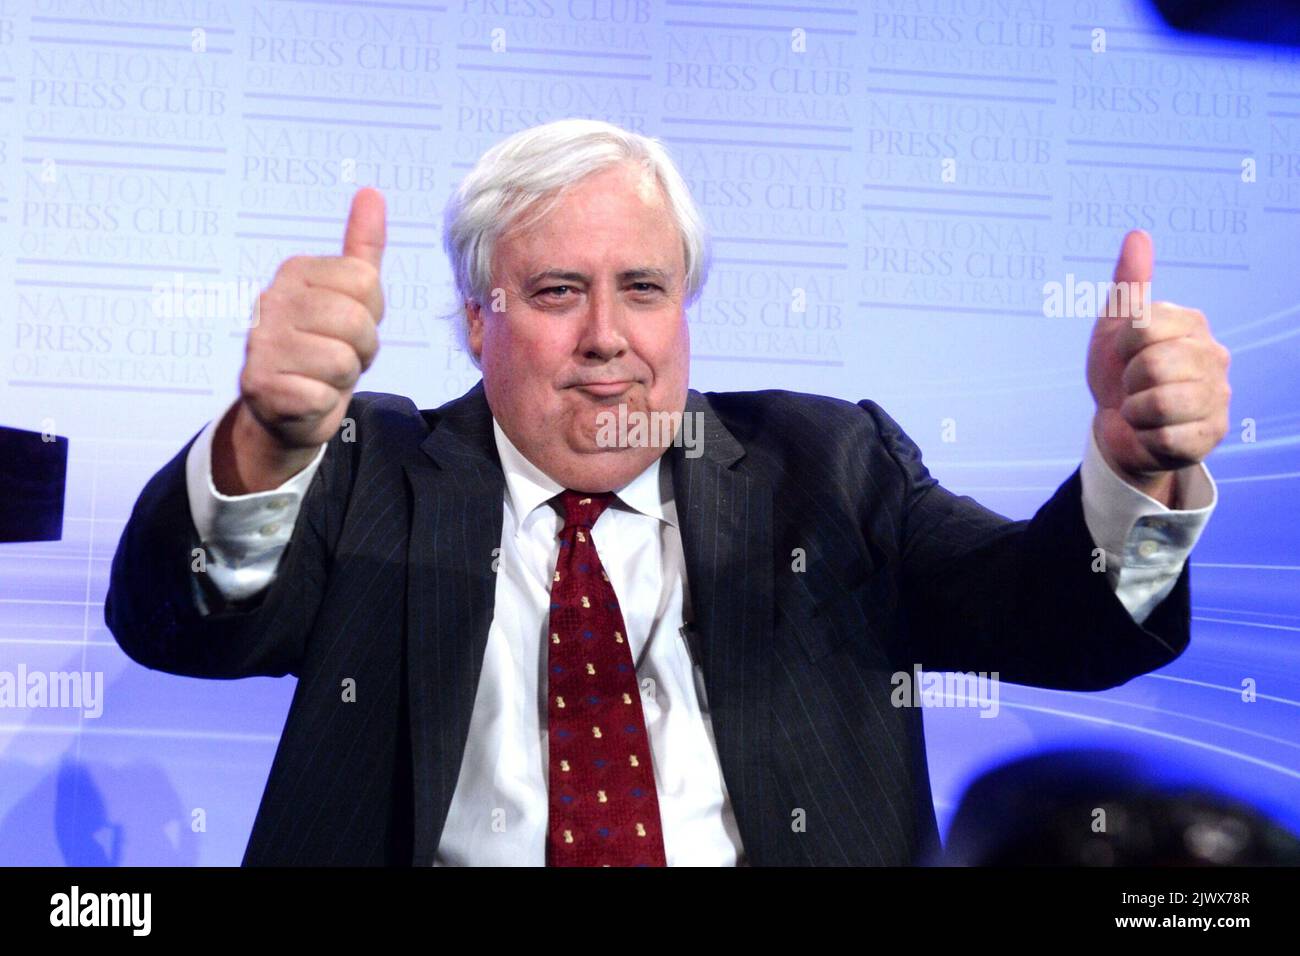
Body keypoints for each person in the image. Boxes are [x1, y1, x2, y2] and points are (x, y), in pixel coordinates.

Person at [104, 118, 1230, 866]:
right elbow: (179, 623)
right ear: (476, 322)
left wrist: (1137, 466)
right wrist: (267, 439)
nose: (608, 337)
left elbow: (1057, 618)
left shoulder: (827, 465)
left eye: (643, 288)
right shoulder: (371, 468)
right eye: (557, 291)